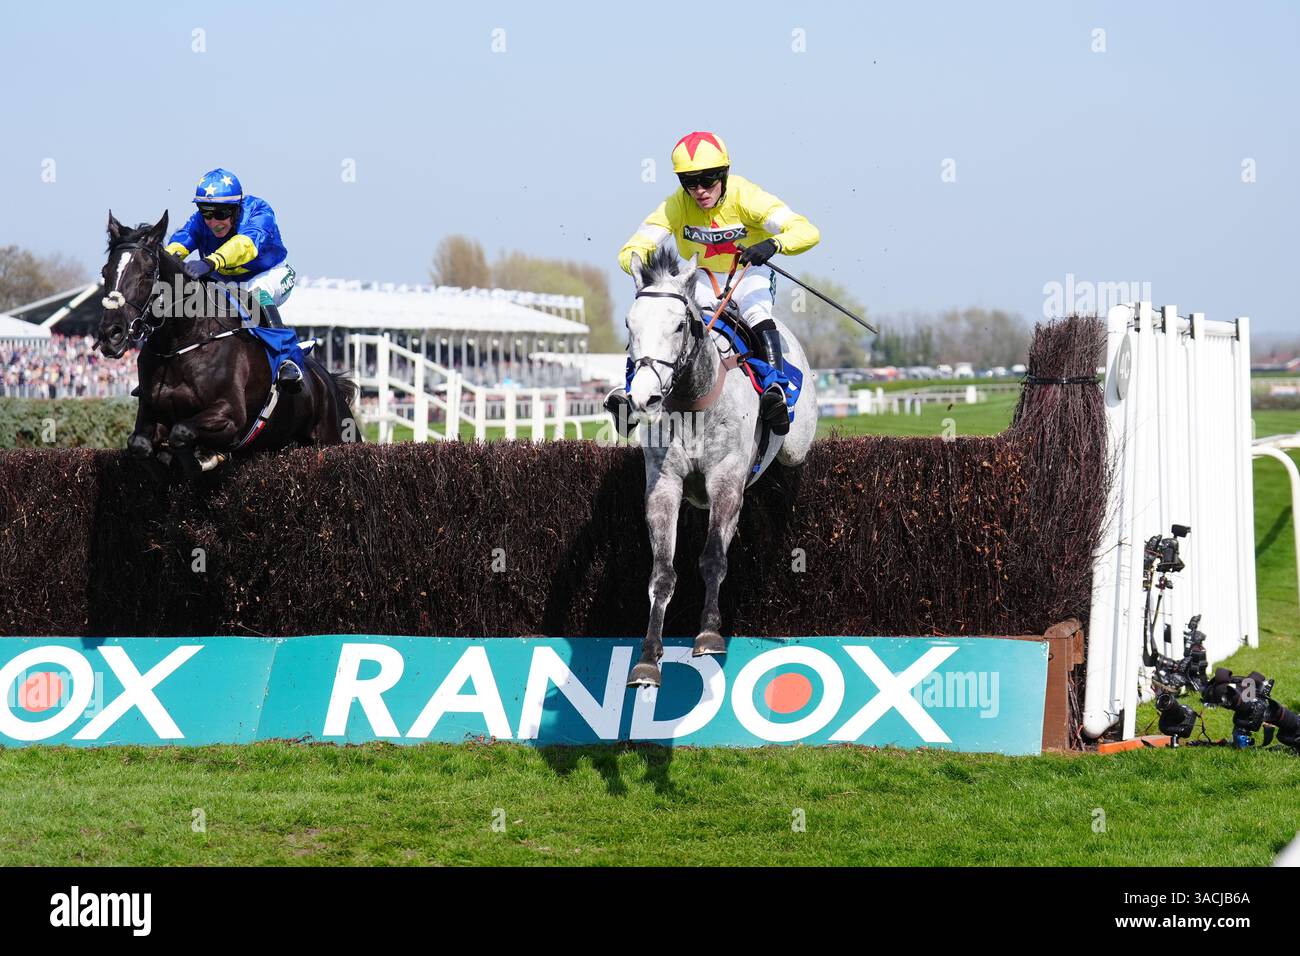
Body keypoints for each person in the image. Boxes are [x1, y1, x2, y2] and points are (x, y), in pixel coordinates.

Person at [610, 131, 820, 436]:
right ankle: (631, 396)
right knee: (661, 320)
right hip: (701, 279)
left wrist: (774, 244)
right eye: (689, 182)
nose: (699, 191)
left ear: (724, 174)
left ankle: (777, 392)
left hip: (748, 273)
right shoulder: (676, 205)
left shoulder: (747, 196)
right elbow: (632, 248)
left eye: (708, 180)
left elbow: (807, 231)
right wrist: (641, 267)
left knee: (756, 315)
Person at [164, 168, 304, 392]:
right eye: (206, 212)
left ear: (236, 208)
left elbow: (245, 246)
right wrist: (162, 259)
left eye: (221, 213)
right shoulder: (201, 221)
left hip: (271, 275)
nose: (213, 221)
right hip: (228, 283)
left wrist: (210, 262)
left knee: (257, 291)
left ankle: (288, 360)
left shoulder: (259, 211)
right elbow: (182, 240)